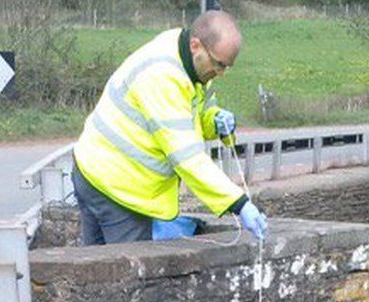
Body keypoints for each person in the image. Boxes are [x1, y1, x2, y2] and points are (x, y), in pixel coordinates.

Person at [71, 10, 268, 246]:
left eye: (227, 67)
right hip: (118, 187)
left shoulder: (182, 54)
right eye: (219, 64)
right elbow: (187, 157)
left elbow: (183, 119)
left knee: (95, 268)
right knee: (126, 273)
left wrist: (213, 121)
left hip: (94, 170)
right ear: (196, 45)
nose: (221, 73)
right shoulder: (163, 76)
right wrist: (239, 203)